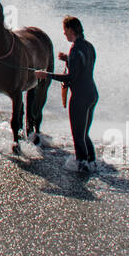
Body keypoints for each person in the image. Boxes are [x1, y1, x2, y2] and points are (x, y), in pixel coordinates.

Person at [35, 16, 99, 174]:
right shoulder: (89, 46)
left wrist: (47, 75)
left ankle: (82, 164)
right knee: (84, 132)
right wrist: (68, 60)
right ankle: (92, 162)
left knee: (77, 134)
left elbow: (71, 77)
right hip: (92, 93)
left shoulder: (76, 49)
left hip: (80, 97)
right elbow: (84, 68)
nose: (64, 34)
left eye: (65, 31)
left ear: (71, 29)